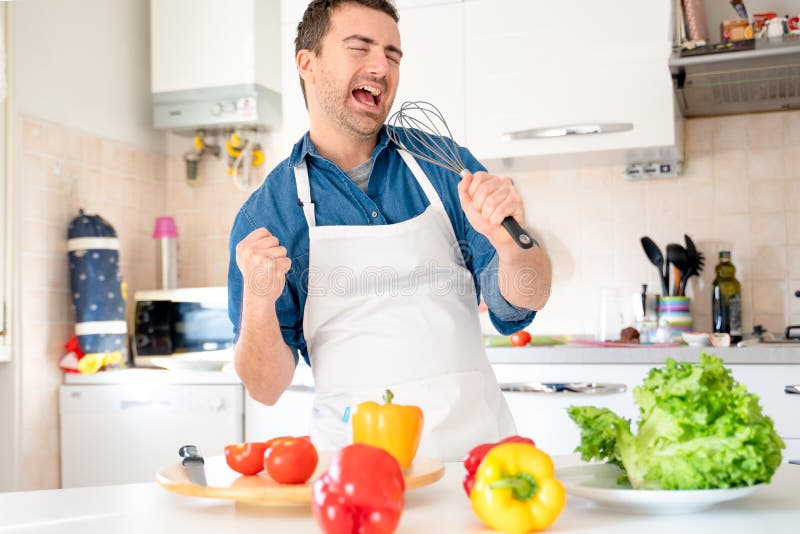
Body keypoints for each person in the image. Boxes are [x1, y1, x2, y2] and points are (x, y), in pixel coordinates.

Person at [228, 0, 552, 461]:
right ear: (308, 63)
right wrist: (259, 300)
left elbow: (526, 298)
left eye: (392, 55)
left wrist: (511, 243)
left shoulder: (444, 164)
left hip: (480, 462)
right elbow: (265, 387)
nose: (381, 66)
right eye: (360, 48)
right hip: (355, 469)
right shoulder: (267, 215)